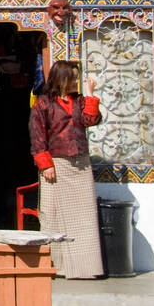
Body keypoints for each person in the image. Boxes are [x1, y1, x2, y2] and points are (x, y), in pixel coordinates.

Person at [29, 61, 105, 279]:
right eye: (71, 77)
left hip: (80, 165)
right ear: (60, 79)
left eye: (76, 77)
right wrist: (45, 164)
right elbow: (37, 135)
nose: (75, 81)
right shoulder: (43, 104)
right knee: (53, 215)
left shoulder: (79, 101)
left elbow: (91, 120)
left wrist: (90, 94)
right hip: (56, 164)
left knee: (84, 217)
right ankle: (56, 266)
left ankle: (86, 268)